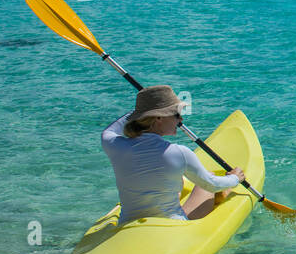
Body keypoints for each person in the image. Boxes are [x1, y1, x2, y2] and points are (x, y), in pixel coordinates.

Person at [102, 85, 244, 223]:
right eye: (176, 114)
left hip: (127, 223)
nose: (181, 120)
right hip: (172, 226)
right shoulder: (179, 153)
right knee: (210, 176)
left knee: (178, 181)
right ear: (158, 118)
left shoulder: (116, 146)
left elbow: (108, 132)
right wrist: (235, 179)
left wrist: (140, 111)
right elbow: (211, 185)